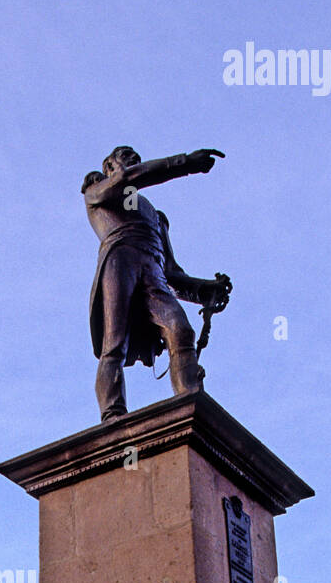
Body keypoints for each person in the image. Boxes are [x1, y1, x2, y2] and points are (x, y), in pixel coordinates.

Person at [83, 145, 231, 419]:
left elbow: (173, 273)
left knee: (181, 331)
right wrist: (184, 163)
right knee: (114, 342)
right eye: (125, 155)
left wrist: (205, 290)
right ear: (108, 165)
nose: (133, 159)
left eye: (136, 157)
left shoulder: (155, 216)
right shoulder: (98, 190)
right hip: (119, 259)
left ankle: (189, 405)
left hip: (154, 271)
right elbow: (126, 180)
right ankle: (113, 414)